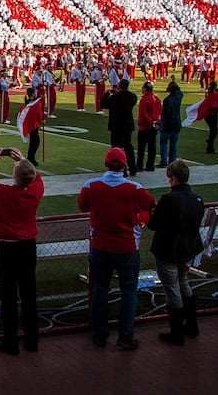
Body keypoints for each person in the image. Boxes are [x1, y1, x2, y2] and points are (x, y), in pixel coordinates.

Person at [78, 147, 155, 350]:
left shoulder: (91, 185)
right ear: (124, 165)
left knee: (100, 290)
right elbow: (150, 203)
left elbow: (82, 206)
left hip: (101, 246)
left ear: (106, 164)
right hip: (126, 247)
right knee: (128, 292)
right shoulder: (135, 188)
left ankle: (100, 334)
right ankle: (126, 335)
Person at [0, 146, 44, 355]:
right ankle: (32, 340)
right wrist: (23, 161)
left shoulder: (3, 194)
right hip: (28, 247)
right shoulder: (35, 192)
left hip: (7, 248)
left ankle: (10, 342)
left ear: (15, 176)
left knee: (9, 297)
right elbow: (36, 179)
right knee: (29, 294)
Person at [147, 159, 205, 345]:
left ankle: (177, 333)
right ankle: (191, 325)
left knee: (172, 288)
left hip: (169, 249)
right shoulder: (197, 199)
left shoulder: (169, 199)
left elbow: (153, 224)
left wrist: (153, 212)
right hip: (188, 248)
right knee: (183, 282)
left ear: (173, 178)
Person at [101, 79, 139, 176]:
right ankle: (132, 168)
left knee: (117, 148)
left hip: (116, 125)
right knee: (128, 146)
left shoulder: (115, 98)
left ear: (119, 86)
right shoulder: (132, 97)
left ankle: (122, 169)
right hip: (128, 124)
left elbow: (103, 104)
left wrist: (107, 94)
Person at [158, 80, 183, 167]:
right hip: (176, 123)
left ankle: (164, 160)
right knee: (173, 144)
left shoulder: (167, 100)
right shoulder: (179, 96)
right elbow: (180, 91)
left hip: (168, 124)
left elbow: (166, 112)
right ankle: (172, 160)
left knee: (163, 142)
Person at [136, 81, 161, 171]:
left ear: (145, 89)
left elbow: (143, 114)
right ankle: (150, 165)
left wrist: (151, 122)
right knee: (152, 147)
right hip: (153, 126)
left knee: (141, 148)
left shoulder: (144, 100)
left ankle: (139, 165)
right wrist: (156, 122)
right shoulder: (156, 98)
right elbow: (159, 112)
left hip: (145, 126)